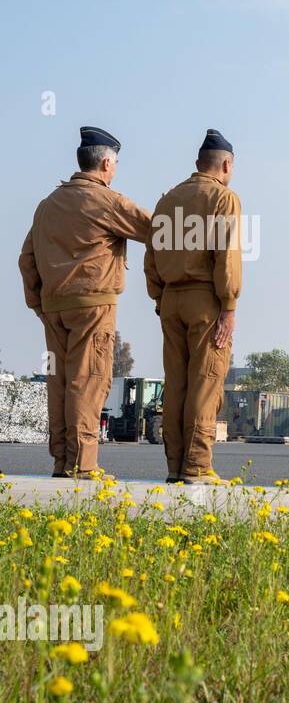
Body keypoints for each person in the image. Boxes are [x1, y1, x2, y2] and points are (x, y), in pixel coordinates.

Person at [19, 126, 153, 479]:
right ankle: (82, 465)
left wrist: (38, 303)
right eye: (116, 163)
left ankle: (62, 462)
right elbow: (157, 229)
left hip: (53, 308)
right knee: (88, 381)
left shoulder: (47, 205)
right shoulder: (107, 201)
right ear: (106, 163)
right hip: (93, 305)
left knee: (60, 384)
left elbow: (26, 259)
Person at [144, 129, 242, 484]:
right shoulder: (223, 198)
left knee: (177, 385)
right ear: (226, 165)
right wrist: (228, 306)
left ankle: (175, 466)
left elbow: (151, 258)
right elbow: (226, 257)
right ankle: (197, 465)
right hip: (205, 300)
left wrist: (160, 298)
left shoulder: (167, 200)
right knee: (205, 382)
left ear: (198, 162)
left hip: (170, 300)